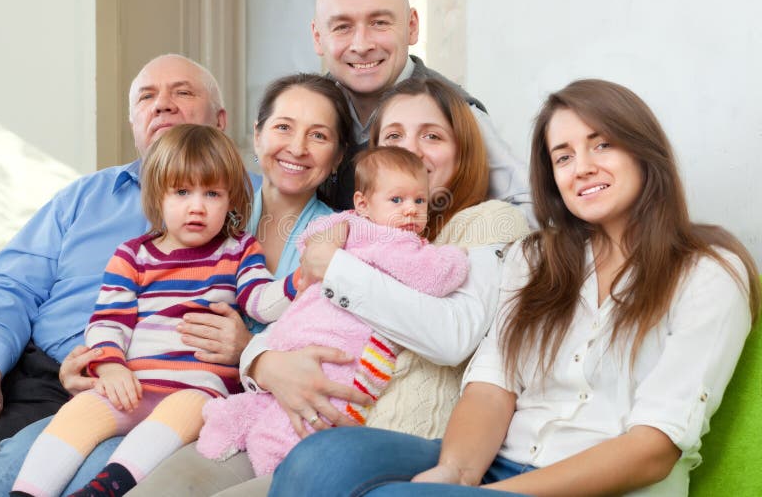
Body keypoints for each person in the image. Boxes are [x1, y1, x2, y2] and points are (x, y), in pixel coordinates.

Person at [269, 79, 762, 497]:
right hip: (496, 464)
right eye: (563, 156)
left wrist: (488, 496)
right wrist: (453, 476)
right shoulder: (535, 258)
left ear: (644, 152)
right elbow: (492, 388)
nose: (582, 167)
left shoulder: (709, 272)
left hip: (599, 483)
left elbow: (655, 447)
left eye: (602, 144)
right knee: (321, 459)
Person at [128, 77, 529, 497]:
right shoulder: (359, 225)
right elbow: (300, 320)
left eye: (431, 135)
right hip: (282, 413)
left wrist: (335, 268)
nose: (410, 149)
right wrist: (264, 363)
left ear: (463, 148)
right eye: (394, 136)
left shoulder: (490, 222)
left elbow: (453, 337)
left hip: (371, 443)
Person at [0, 72, 353, 495]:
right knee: (22, 457)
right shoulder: (189, 207)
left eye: (318, 135)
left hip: (206, 398)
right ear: (258, 133)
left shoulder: (323, 234)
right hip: (118, 379)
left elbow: (293, 324)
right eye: (283, 126)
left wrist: (255, 338)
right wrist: (101, 359)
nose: (297, 146)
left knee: (105, 463)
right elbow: (112, 306)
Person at [0, 54, 245, 476]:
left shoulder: (248, 201)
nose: (162, 104)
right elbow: (9, 285)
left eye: (183, 92)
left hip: (158, 392)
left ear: (220, 119)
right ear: (134, 123)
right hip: (40, 375)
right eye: (147, 97)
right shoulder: (84, 196)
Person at [12, 123, 303, 496]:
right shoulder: (132, 254)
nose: (196, 206)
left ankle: (107, 486)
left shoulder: (238, 250)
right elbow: (108, 322)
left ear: (230, 201)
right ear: (157, 197)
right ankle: (26, 492)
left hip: (198, 386)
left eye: (212, 193)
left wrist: (301, 280)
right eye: (182, 192)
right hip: (134, 383)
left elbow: (261, 303)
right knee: (80, 412)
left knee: (185, 409)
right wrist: (111, 365)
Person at [196, 147, 469, 476]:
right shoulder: (397, 244)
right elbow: (437, 276)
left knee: (269, 400)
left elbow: (309, 242)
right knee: (319, 408)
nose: (410, 211)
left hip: (292, 331)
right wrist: (457, 257)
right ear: (363, 204)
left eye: (419, 201)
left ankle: (230, 420)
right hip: (336, 346)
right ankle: (274, 455)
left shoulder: (345, 226)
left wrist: (333, 236)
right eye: (397, 201)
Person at [313, 0, 532, 223]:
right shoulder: (306, 108)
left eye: (379, 23)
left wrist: (460, 250)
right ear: (318, 38)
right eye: (342, 27)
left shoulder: (459, 112)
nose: (361, 45)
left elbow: (530, 205)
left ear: (412, 26)